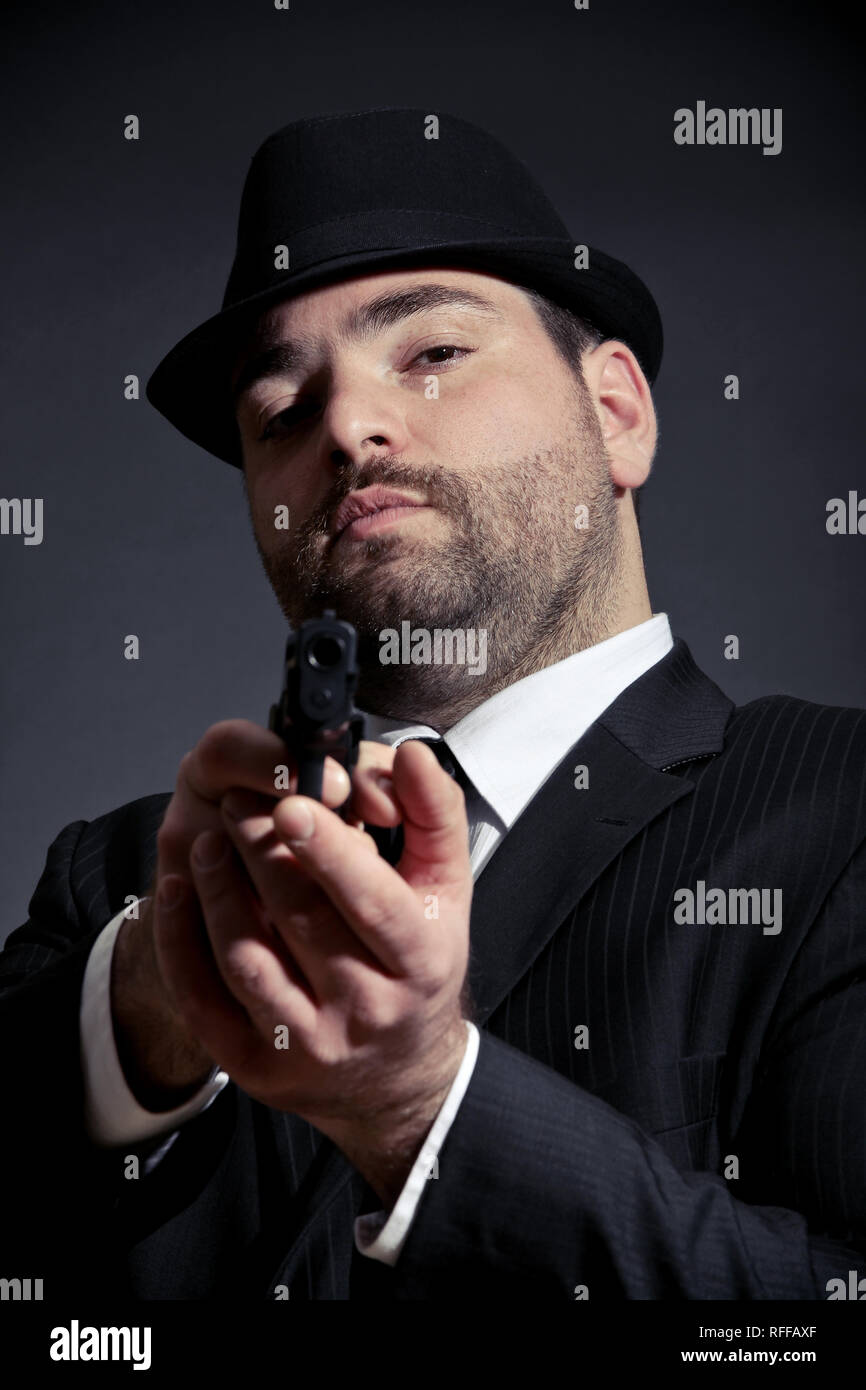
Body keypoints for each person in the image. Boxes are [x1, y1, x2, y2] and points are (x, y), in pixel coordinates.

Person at [2, 108, 864, 1302]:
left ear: (613, 410)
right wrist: (149, 1005)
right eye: (279, 413)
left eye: (430, 354)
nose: (346, 427)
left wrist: (425, 1114)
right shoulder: (117, 885)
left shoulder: (840, 814)